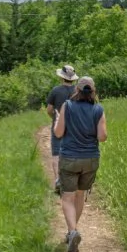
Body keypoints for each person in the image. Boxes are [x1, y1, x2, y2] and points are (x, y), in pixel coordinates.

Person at [51, 76, 105, 252]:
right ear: (93, 91)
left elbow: (58, 133)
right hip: (90, 159)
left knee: (67, 197)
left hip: (69, 158)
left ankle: (72, 231)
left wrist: (58, 120)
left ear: (78, 90)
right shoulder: (98, 109)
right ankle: (72, 231)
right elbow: (102, 137)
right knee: (80, 194)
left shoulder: (68, 106)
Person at [44, 66, 78, 195]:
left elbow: (49, 110)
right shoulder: (77, 91)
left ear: (61, 77)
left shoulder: (55, 91)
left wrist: (55, 118)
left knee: (56, 153)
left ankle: (58, 181)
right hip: (74, 127)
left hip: (58, 125)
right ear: (73, 79)